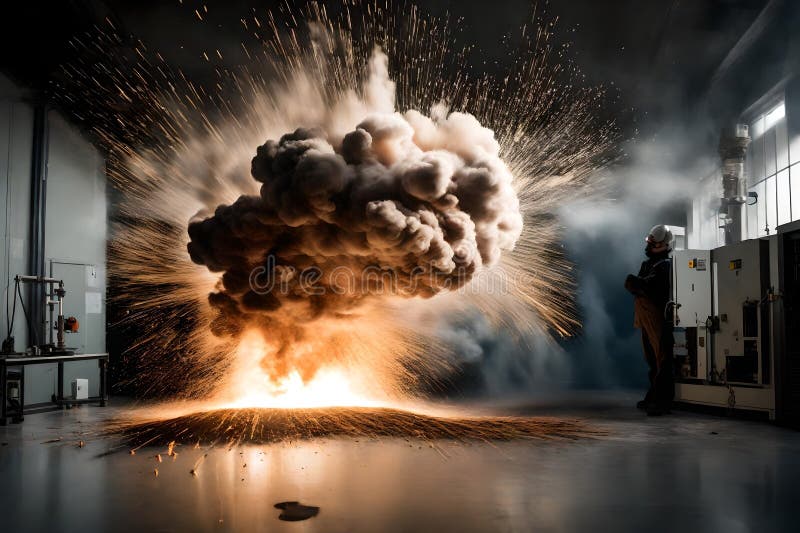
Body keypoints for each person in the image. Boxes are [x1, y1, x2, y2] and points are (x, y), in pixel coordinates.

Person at [624, 225, 674, 416]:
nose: (649, 246)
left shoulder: (664, 266)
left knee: (663, 360)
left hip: (658, 318)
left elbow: (648, 286)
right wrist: (637, 284)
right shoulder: (649, 265)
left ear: (664, 245)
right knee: (652, 360)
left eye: (653, 244)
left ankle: (662, 402)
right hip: (646, 318)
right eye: (649, 242)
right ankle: (652, 396)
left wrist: (636, 283)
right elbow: (639, 284)